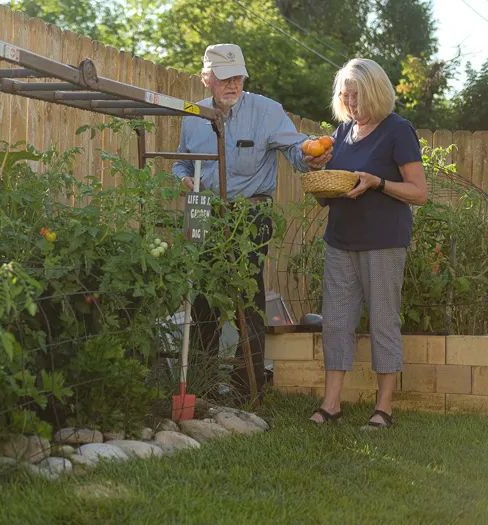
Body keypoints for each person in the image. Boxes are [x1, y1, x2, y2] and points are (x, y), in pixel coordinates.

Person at [173, 43, 330, 400]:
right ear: (207, 79)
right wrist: (181, 180)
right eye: (225, 78)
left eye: (238, 77)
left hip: (250, 213)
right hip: (204, 211)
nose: (233, 85)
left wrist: (312, 154)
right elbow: (179, 164)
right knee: (203, 299)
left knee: (248, 297)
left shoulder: (267, 111)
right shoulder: (191, 116)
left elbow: (296, 149)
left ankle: (249, 388)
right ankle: (202, 386)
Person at [309, 58, 428, 428]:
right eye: (345, 96)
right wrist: (318, 176)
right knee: (337, 323)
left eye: (356, 96)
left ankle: (384, 409)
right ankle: (331, 405)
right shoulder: (343, 133)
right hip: (340, 241)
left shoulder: (398, 130)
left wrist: (378, 182)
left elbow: (419, 193)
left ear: (375, 93)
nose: (351, 104)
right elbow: (329, 196)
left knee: (383, 322)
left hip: (383, 242)